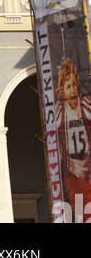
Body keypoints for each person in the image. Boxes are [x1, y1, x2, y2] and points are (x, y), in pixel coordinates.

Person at [56, 56, 91, 218]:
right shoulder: (60, 111)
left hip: (87, 170)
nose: (72, 90)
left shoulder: (85, 105)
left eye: (74, 85)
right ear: (61, 90)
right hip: (72, 174)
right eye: (68, 86)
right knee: (80, 214)